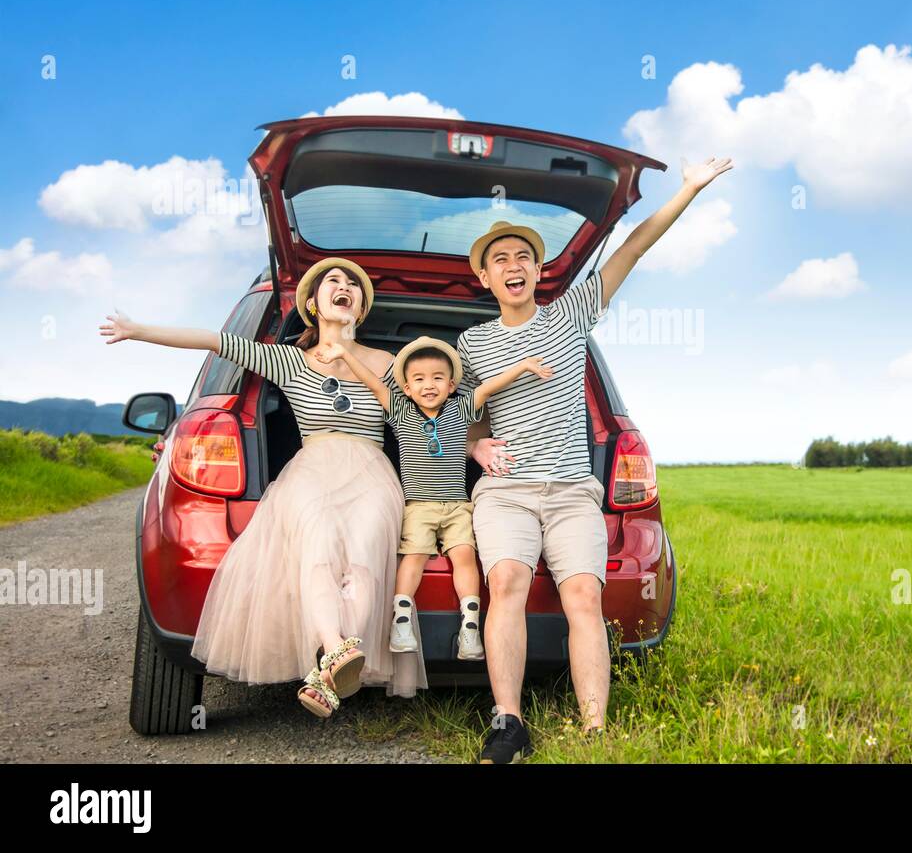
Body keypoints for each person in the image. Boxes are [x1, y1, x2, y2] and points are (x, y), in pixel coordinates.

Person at [457, 155, 733, 762]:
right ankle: (508, 723)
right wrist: (478, 443)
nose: (513, 266)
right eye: (499, 259)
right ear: (484, 277)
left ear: (538, 270)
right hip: (506, 493)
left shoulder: (571, 314)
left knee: (583, 594)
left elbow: (631, 250)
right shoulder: (471, 343)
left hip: (572, 492)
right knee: (505, 582)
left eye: (523, 257)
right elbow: (463, 415)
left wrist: (687, 188)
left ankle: (594, 730)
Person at [101, 257, 427, 718]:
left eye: (354, 284)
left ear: (361, 307)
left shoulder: (390, 363)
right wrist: (138, 330)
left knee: (366, 558)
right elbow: (214, 341)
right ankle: (335, 650)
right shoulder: (289, 359)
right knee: (317, 550)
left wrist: (478, 444)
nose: (345, 286)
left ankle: (326, 673)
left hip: (373, 470)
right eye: (333, 281)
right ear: (313, 304)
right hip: (313, 468)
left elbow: (429, 408)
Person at [315, 335, 552, 661]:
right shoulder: (400, 412)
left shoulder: (460, 409)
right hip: (418, 508)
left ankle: (469, 630)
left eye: (438, 378)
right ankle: (402, 624)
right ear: (407, 388)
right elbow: (374, 384)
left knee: (465, 557)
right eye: (420, 379)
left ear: (452, 384)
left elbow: (487, 388)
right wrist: (344, 352)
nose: (429, 385)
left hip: (457, 507)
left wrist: (522, 366)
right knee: (413, 557)